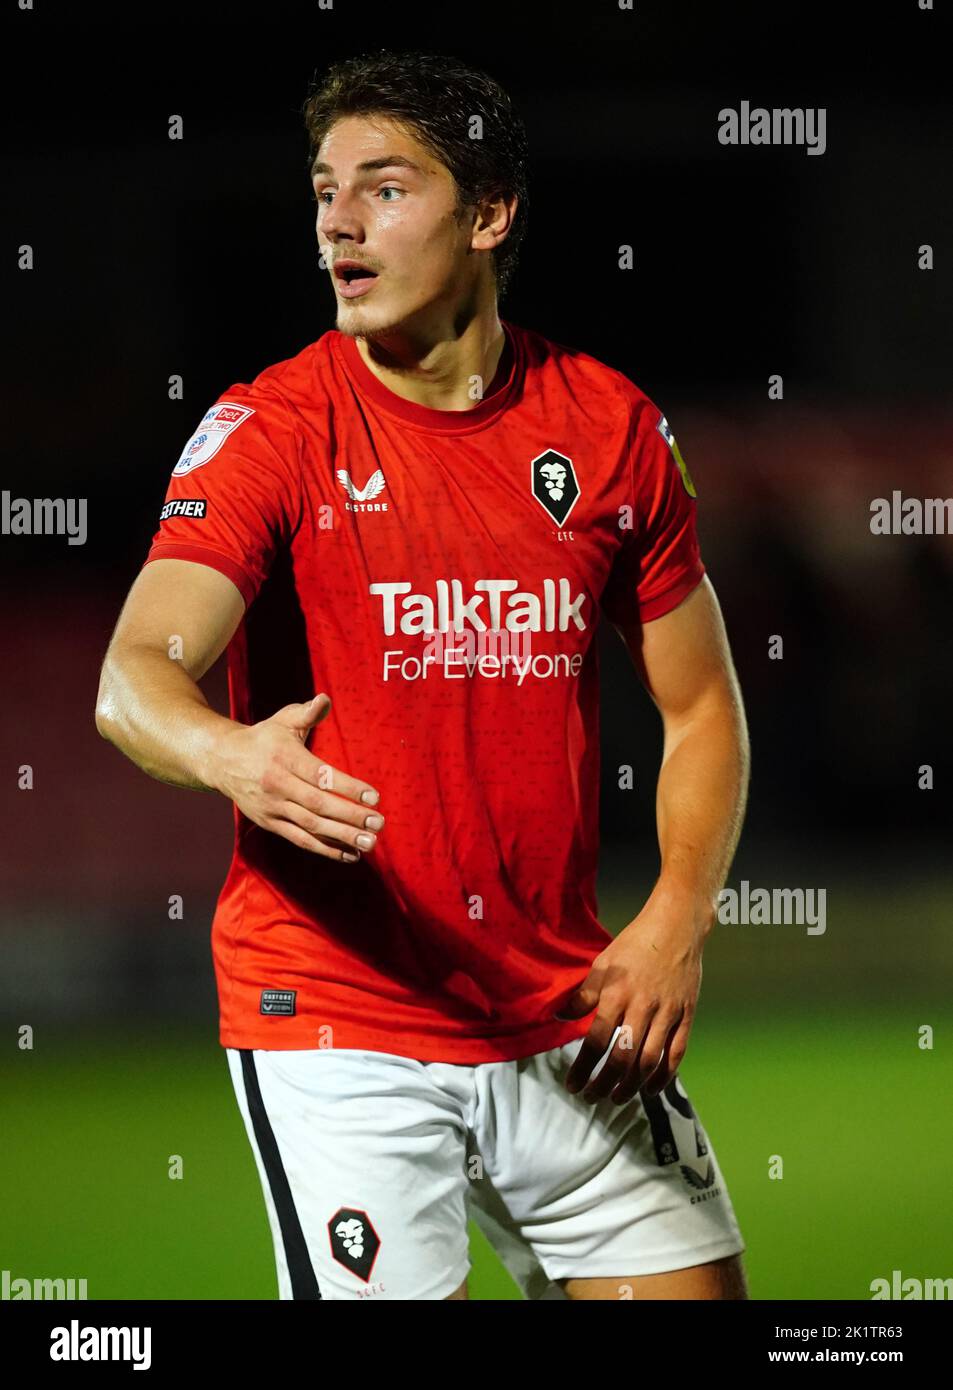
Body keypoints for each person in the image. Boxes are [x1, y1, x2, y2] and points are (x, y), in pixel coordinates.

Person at [95, 48, 750, 1301]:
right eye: (323, 190)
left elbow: (700, 701)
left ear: (490, 211)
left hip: (567, 1014)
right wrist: (229, 751)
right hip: (344, 1025)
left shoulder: (608, 429)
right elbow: (135, 673)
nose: (338, 221)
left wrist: (675, 917)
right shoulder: (274, 430)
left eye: (383, 188)